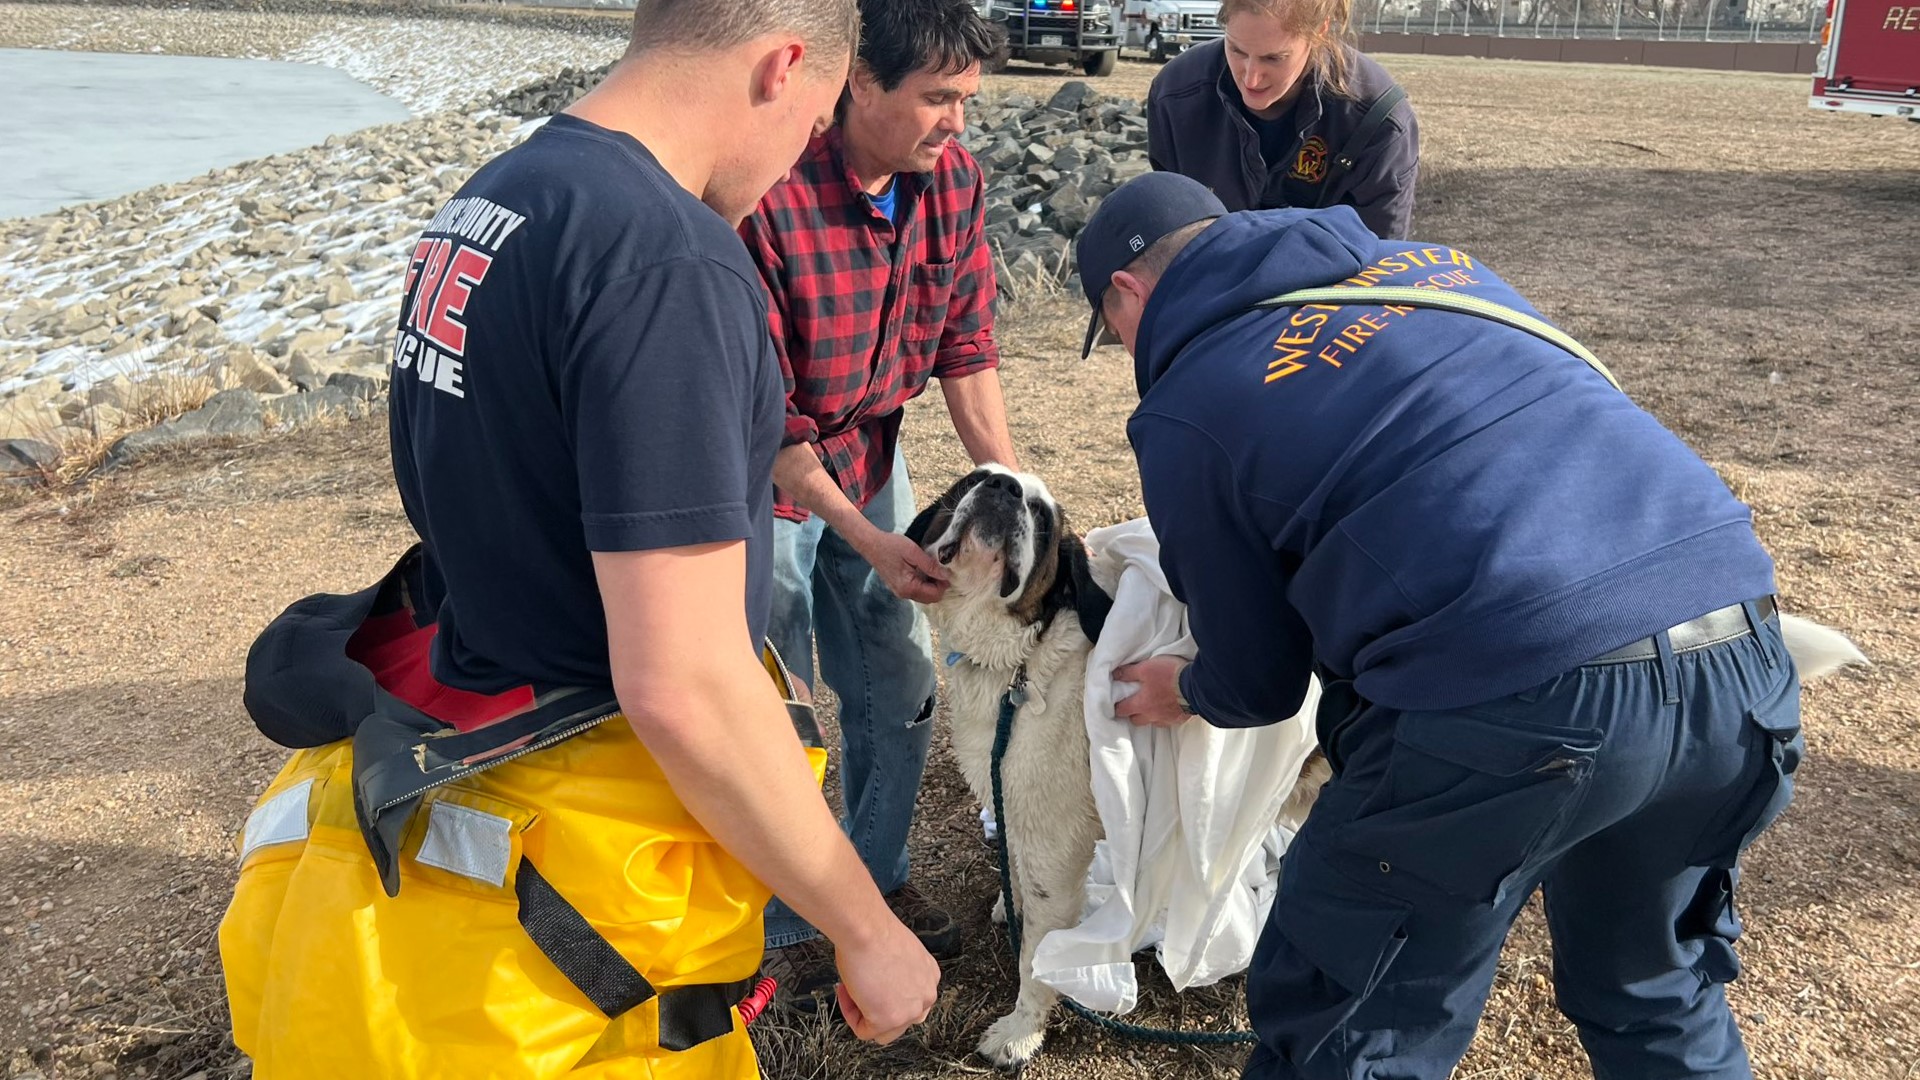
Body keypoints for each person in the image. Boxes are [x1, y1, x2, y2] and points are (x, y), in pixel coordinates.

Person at [216, 3, 942, 1075]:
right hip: (592, 857)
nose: (803, 161)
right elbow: (683, 682)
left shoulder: (494, 199)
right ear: (783, 65)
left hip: (480, 778)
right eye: (819, 119)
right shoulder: (669, 264)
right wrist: (867, 930)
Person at [1074, 171, 1801, 1080]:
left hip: (1521, 686)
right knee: (1657, 990)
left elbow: (1258, 678)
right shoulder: (1441, 270)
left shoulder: (1188, 407)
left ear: (1129, 293)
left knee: (1354, 1033)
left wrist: (1187, 688)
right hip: (1739, 641)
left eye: (1115, 334)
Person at [736, 0, 1016, 1005]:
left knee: (895, 675)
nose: (957, 123)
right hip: (763, 477)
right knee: (768, 700)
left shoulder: (953, 184)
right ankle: (768, 922)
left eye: (967, 101)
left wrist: (1014, 491)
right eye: (938, 99)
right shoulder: (767, 194)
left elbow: (966, 353)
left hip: (869, 451)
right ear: (859, 82)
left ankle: (875, 876)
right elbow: (764, 417)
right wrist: (866, 535)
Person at [1146, 0, 1419, 239]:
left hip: (1328, 292)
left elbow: (1379, 262)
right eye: (1237, 51)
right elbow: (1171, 236)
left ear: (1320, 31)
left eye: (1274, 58)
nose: (1251, 78)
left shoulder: (1380, 121)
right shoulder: (1174, 96)